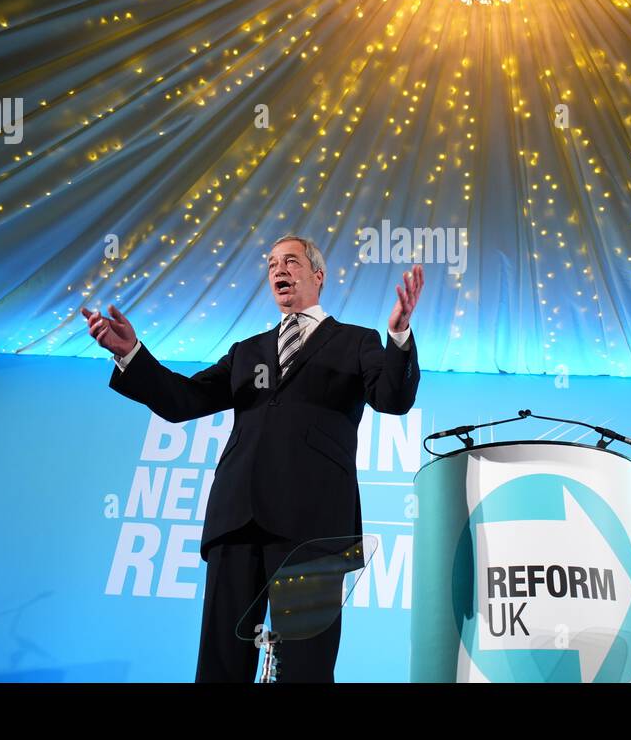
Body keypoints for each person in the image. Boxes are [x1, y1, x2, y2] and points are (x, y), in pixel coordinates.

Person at [82, 235, 422, 681]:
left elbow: (392, 398)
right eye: (272, 263)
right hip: (237, 520)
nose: (279, 269)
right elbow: (183, 400)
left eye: (291, 261)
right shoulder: (247, 351)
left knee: (304, 666)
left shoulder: (356, 341)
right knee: (222, 664)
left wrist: (398, 334)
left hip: (313, 525)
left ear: (317, 275)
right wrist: (131, 354)